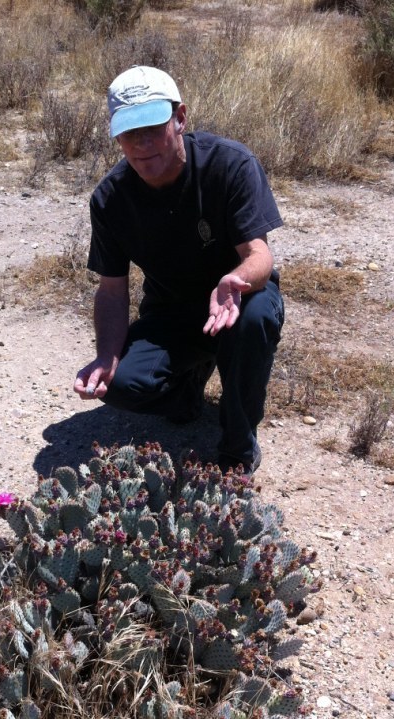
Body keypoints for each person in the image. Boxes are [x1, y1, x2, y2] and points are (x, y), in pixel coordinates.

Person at [73, 66, 285, 477]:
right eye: (129, 131)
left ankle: (239, 446)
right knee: (119, 385)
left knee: (253, 320)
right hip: (171, 312)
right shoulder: (111, 198)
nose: (142, 142)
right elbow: (112, 290)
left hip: (237, 303)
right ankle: (187, 391)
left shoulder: (229, 165)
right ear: (116, 135)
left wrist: (235, 280)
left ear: (180, 118)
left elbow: (260, 254)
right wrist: (106, 355)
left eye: (152, 126)